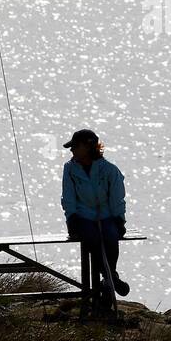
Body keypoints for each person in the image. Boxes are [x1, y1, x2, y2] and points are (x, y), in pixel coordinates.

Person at [60, 128, 130, 301]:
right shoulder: (69, 169)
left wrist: (119, 219)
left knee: (111, 237)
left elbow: (117, 197)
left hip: (106, 216)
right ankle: (111, 278)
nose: (72, 150)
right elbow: (68, 196)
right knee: (91, 239)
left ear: (88, 147)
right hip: (83, 217)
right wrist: (72, 219)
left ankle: (108, 279)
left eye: (76, 146)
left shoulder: (109, 170)